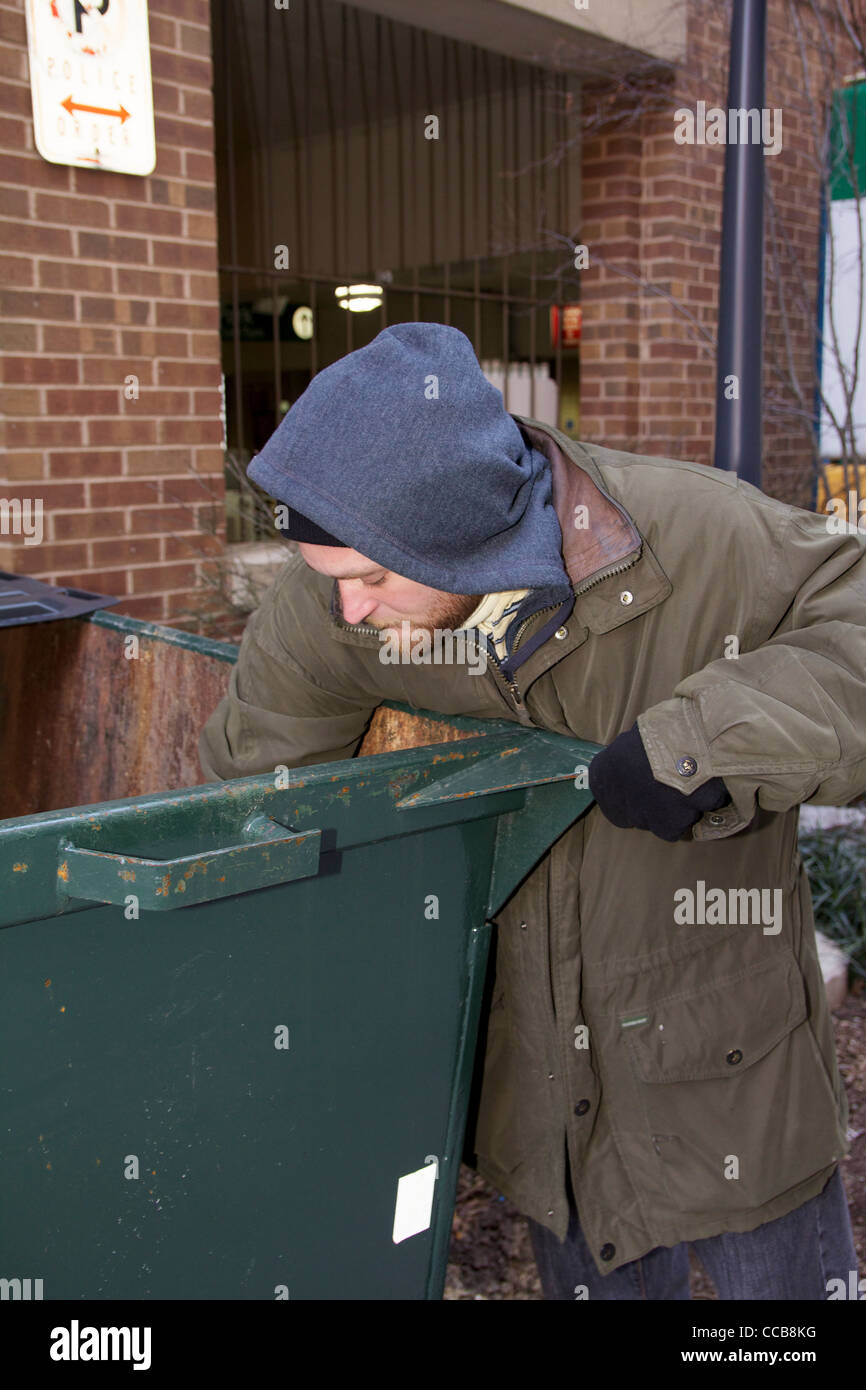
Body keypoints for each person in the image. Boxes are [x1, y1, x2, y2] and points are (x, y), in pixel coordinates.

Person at [199, 322, 866, 1300]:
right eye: (329, 580)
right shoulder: (331, 610)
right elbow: (257, 805)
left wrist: (712, 738)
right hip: (546, 1102)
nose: (347, 611)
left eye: (372, 579)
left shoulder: (690, 537)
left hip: (730, 1081)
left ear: (459, 538)